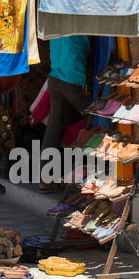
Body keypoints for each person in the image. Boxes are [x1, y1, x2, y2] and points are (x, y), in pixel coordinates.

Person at [39, 34, 92, 192]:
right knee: (98, 121)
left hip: (55, 77)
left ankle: (46, 180)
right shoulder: (80, 18)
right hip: (73, 80)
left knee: (54, 129)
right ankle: (103, 177)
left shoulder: (56, 18)